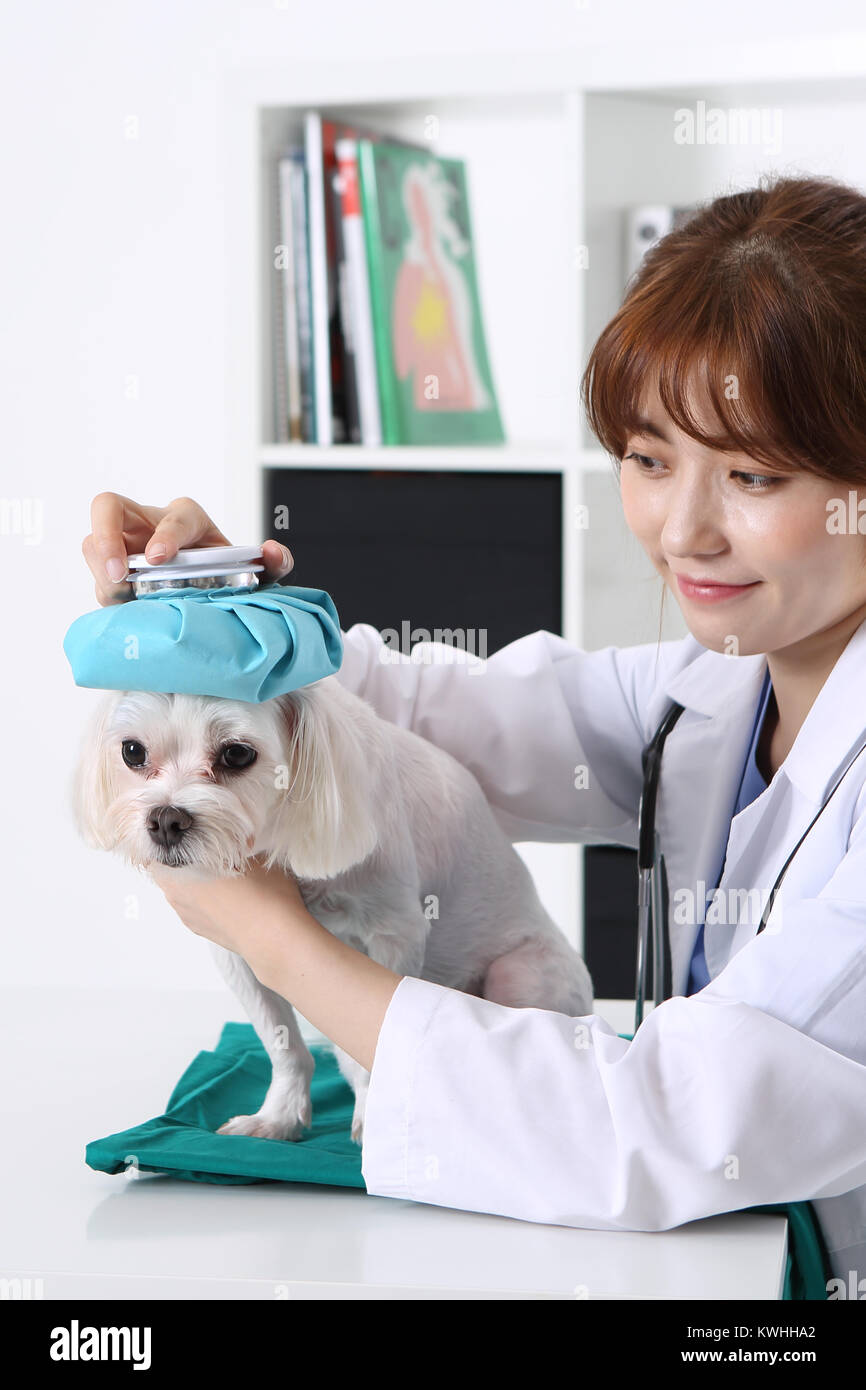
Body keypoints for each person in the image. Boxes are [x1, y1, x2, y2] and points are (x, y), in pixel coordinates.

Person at [79, 173, 866, 1290]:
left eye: (750, 474)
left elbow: (658, 1123)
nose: (683, 530)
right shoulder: (710, 691)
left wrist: (276, 940)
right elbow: (413, 718)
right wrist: (227, 619)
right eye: (648, 460)